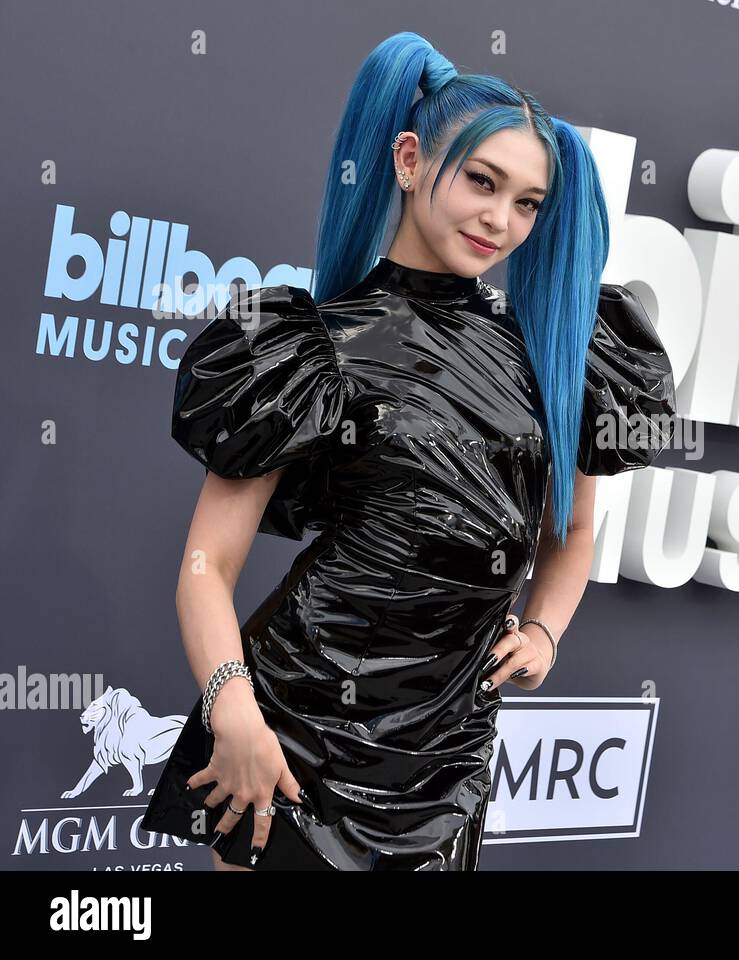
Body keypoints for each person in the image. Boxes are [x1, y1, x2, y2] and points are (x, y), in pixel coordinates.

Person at [140, 31, 677, 871]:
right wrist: (233, 709)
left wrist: (544, 632)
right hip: (295, 727)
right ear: (408, 159)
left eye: (529, 202)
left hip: (448, 748)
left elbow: (569, 535)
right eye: (482, 181)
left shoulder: (559, 353)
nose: (501, 221)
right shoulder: (305, 344)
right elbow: (205, 566)